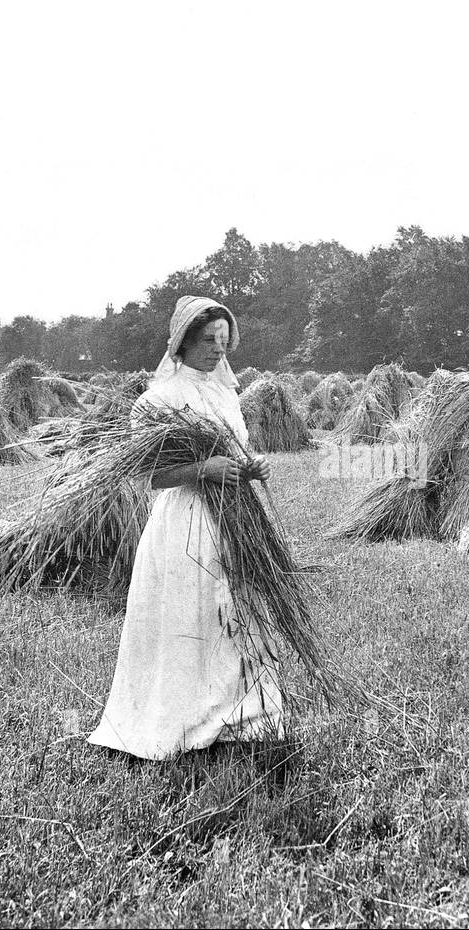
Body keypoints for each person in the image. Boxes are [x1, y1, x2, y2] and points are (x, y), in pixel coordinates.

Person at [87, 296, 281, 760]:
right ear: (183, 342)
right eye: (208, 340)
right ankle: (181, 715)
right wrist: (202, 469)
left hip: (233, 516)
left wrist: (246, 468)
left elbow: (232, 455)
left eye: (223, 340)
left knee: (233, 607)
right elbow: (152, 477)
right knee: (188, 611)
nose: (218, 349)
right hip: (187, 521)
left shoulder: (225, 393)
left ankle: (238, 710)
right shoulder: (157, 401)